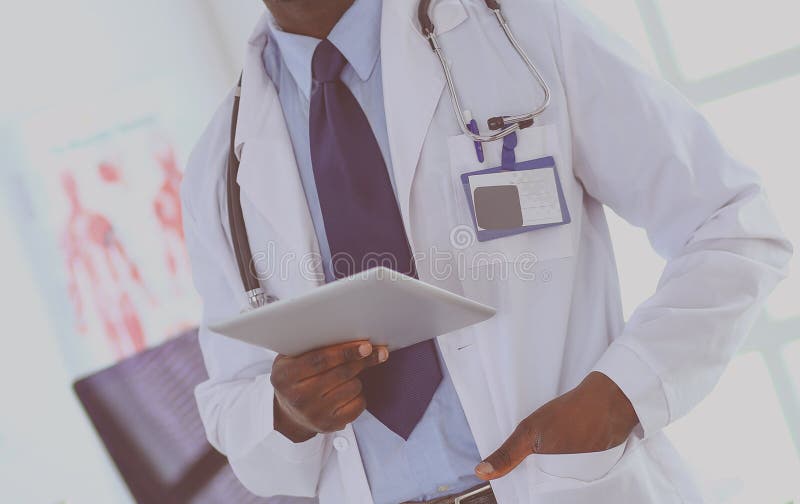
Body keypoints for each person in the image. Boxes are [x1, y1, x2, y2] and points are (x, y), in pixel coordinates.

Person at [180, 0, 792, 502]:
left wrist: (621, 394)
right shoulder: (219, 164)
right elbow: (235, 411)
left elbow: (732, 223)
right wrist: (285, 410)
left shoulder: (520, 31)